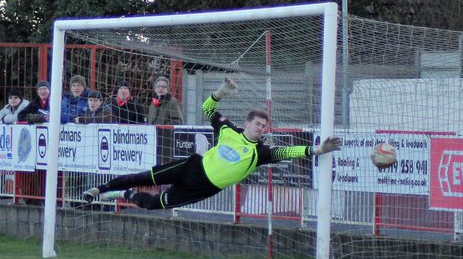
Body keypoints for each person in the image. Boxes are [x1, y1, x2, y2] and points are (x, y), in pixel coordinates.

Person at [83, 77, 342, 210]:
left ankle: (120, 195)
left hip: (206, 187)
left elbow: (287, 151)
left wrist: (317, 149)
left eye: (265, 127)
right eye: (258, 125)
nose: (262, 129)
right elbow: (208, 108)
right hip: (192, 167)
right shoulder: (228, 130)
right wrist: (220, 91)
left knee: (155, 204)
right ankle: (99, 189)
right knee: (143, 176)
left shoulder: (260, 152)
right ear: (248, 123)